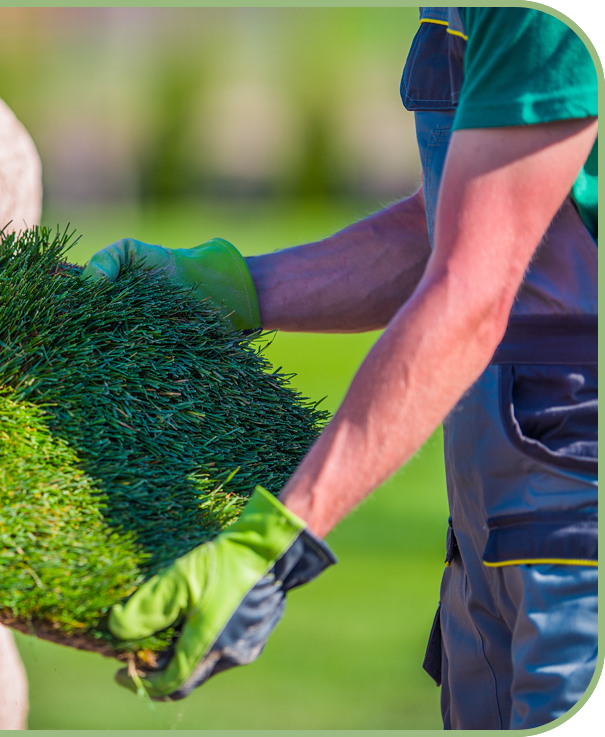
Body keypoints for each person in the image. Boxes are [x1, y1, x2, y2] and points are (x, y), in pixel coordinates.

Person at [83, 7, 598, 730]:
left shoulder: (536, 16)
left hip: (576, 520)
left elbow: (469, 295)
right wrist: (226, 286)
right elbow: (455, 226)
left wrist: (273, 543)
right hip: (505, 505)